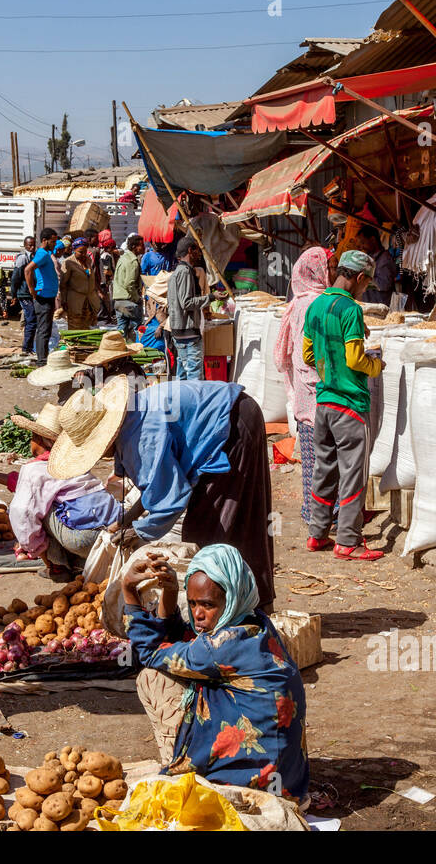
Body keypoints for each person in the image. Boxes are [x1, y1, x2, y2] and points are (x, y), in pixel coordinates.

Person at [49, 376, 276, 610]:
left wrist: (139, 531)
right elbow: (154, 486)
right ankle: (244, 604)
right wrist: (127, 518)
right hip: (228, 416)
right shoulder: (129, 424)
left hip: (232, 424)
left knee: (216, 531)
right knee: (220, 526)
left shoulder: (140, 437)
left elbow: (172, 499)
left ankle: (248, 607)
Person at [123, 544, 308, 800]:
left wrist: (129, 590)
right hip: (287, 777)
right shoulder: (255, 622)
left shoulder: (223, 646)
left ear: (230, 598)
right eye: (191, 603)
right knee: (178, 664)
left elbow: (149, 652)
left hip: (255, 784)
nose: (197, 614)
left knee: (153, 677)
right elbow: (187, 642)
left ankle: (181, 765)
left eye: (207, 604)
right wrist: (170, 591)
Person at [0, 404, 118, 578]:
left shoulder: (35, 469)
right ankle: (77, 563)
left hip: (82, 539)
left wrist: (34, 549)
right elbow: (27, 483)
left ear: (38, 439)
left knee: (33, 511)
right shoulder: (73, 461)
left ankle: (56, 566)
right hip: (113, 529)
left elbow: (22, 512)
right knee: (49, 500)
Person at [302, 250, 384, 561]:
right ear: (360, 278)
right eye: (366, 284)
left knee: (325, 470)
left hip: (323, 403)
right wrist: (375, 365)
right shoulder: (351, 310)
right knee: (353, 474)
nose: (365, 290)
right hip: (350, 404)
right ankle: (348, 540)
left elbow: (309, 356)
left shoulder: (315, 306)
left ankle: (317, 534)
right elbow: (354, 358)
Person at [273, 247, 331, 524]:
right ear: (317, 271)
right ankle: (326, 515)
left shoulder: (297, 302)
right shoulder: (319, 303)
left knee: (311, 456)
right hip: (321, 387)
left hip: (304, 389)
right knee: (328, 457)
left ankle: (311, 512)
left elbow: (287, 352)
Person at [167, 237, 210, 381]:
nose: (199, 253)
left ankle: (181, 402)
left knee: (183, 374)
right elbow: (187, 303)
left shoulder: (177, 272)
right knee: (194, 375)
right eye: (197, 249)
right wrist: (211, 297)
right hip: (188, 333)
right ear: (190, 251)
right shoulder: (185, 272)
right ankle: (193, 403)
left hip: (179, 332)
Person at [66, 330, 145, 401]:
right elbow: (91, 374)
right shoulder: (102, 366)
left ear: (117, 358)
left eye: (107, 359)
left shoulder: (130, 369)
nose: (104, 362)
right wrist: (82, 373)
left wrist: (108, 387)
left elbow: (132, 392)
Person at [25, 228, 60, 366]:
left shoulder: (46, 253)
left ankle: (43, 358)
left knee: (46, 329)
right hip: (43, 298)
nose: (54, 244)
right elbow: (28, 269)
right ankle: (42, 361)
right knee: (43, 330)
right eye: (52, 241)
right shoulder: (42, 254)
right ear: (44, 240)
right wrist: (32, 290)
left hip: (48, 297)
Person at [59, 237, 99, 331]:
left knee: (86, 327)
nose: (84, 254)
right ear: (74, 250)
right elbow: (63, 284)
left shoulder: (88, 261)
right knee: (75, 327)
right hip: (75, 301)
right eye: (80, 252)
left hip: (89, 301)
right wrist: (63, 300)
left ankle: (84, 345)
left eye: (85, 251)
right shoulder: (68, 262)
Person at [113, 232, 145, 342]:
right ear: (134, 247)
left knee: (121, 333)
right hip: (128, 301)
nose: (144, 248)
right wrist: (137, 298)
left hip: (118, 300)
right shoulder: (133, 262)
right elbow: (129, 284)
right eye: (142, 245)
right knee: (136, 331)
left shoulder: (122, 258)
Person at [355, 225, 397, 307]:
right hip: (369, 304)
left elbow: (384, 285)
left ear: (373, 240)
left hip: (380, 306)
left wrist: (365, 278)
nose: (362, 247)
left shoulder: (384, 259)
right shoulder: (370, 257)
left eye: (363, 243)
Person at [12, 235, 38, 356]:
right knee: (31, 320)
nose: (32, 247)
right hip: (24, 293)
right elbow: (16, 277)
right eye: (29, 245)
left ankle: (30, 347)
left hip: (32, 293)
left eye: (33, 244)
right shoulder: (22, 258)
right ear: (25, 245)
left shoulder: (35, 256)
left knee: (32, 320)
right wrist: (14, 294)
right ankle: (26, 348)